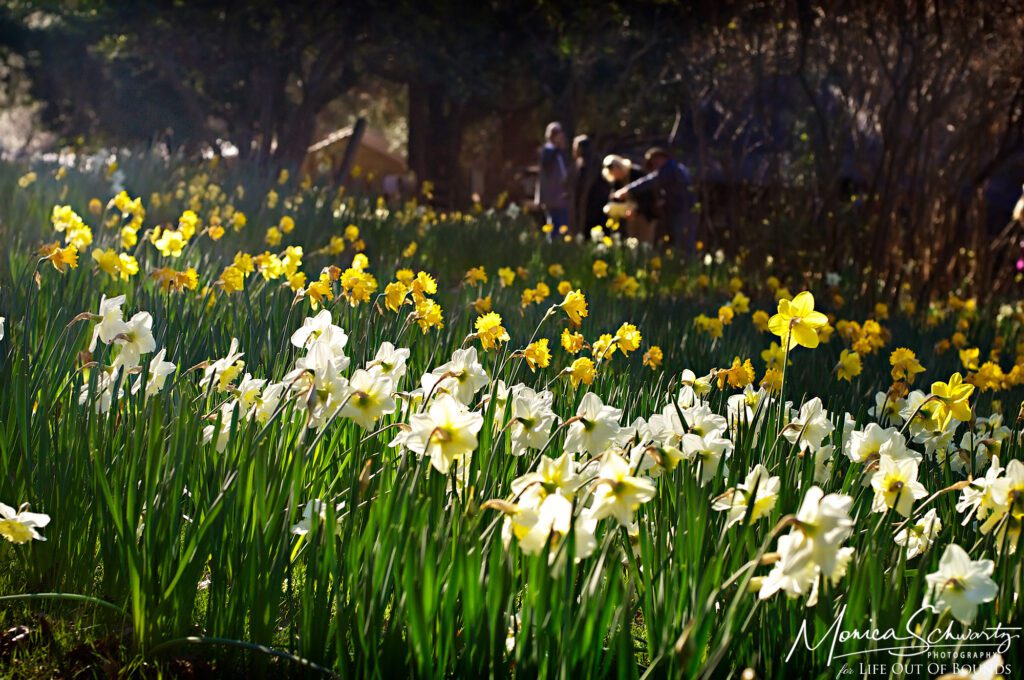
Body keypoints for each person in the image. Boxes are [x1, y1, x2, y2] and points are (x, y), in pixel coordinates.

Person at [612, 147, 697, 253]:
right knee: (681, 241)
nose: (654, 166)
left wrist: (628, 190)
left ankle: (687, 261)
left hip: (682, 210)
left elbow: (651, 181)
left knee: (683, 242)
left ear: (660, 157)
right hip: (682, 209)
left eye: (654, 162)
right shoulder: (676, 167)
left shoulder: (670, 168)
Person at [602, 154, 656, 243]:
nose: (617, 176)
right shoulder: (617, 180)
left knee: (645, 242)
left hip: (645, 214)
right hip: (630, 215)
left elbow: (648, 197)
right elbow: (614, 196)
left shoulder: (637, 173)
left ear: (620, 166)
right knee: (632, 241)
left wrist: (636, 210)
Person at [535, 122, 570, 230]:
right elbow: (546, 172)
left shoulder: (559, 152)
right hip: (553, 198)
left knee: (562, 226)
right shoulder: (547, 152)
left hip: (561, 197)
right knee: (555, 226)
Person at [572, 135, 609, 234]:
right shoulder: (580, 164)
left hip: (596, 204)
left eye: (576, 147)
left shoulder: (595, 163)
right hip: (586, 205)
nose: (574, 150)